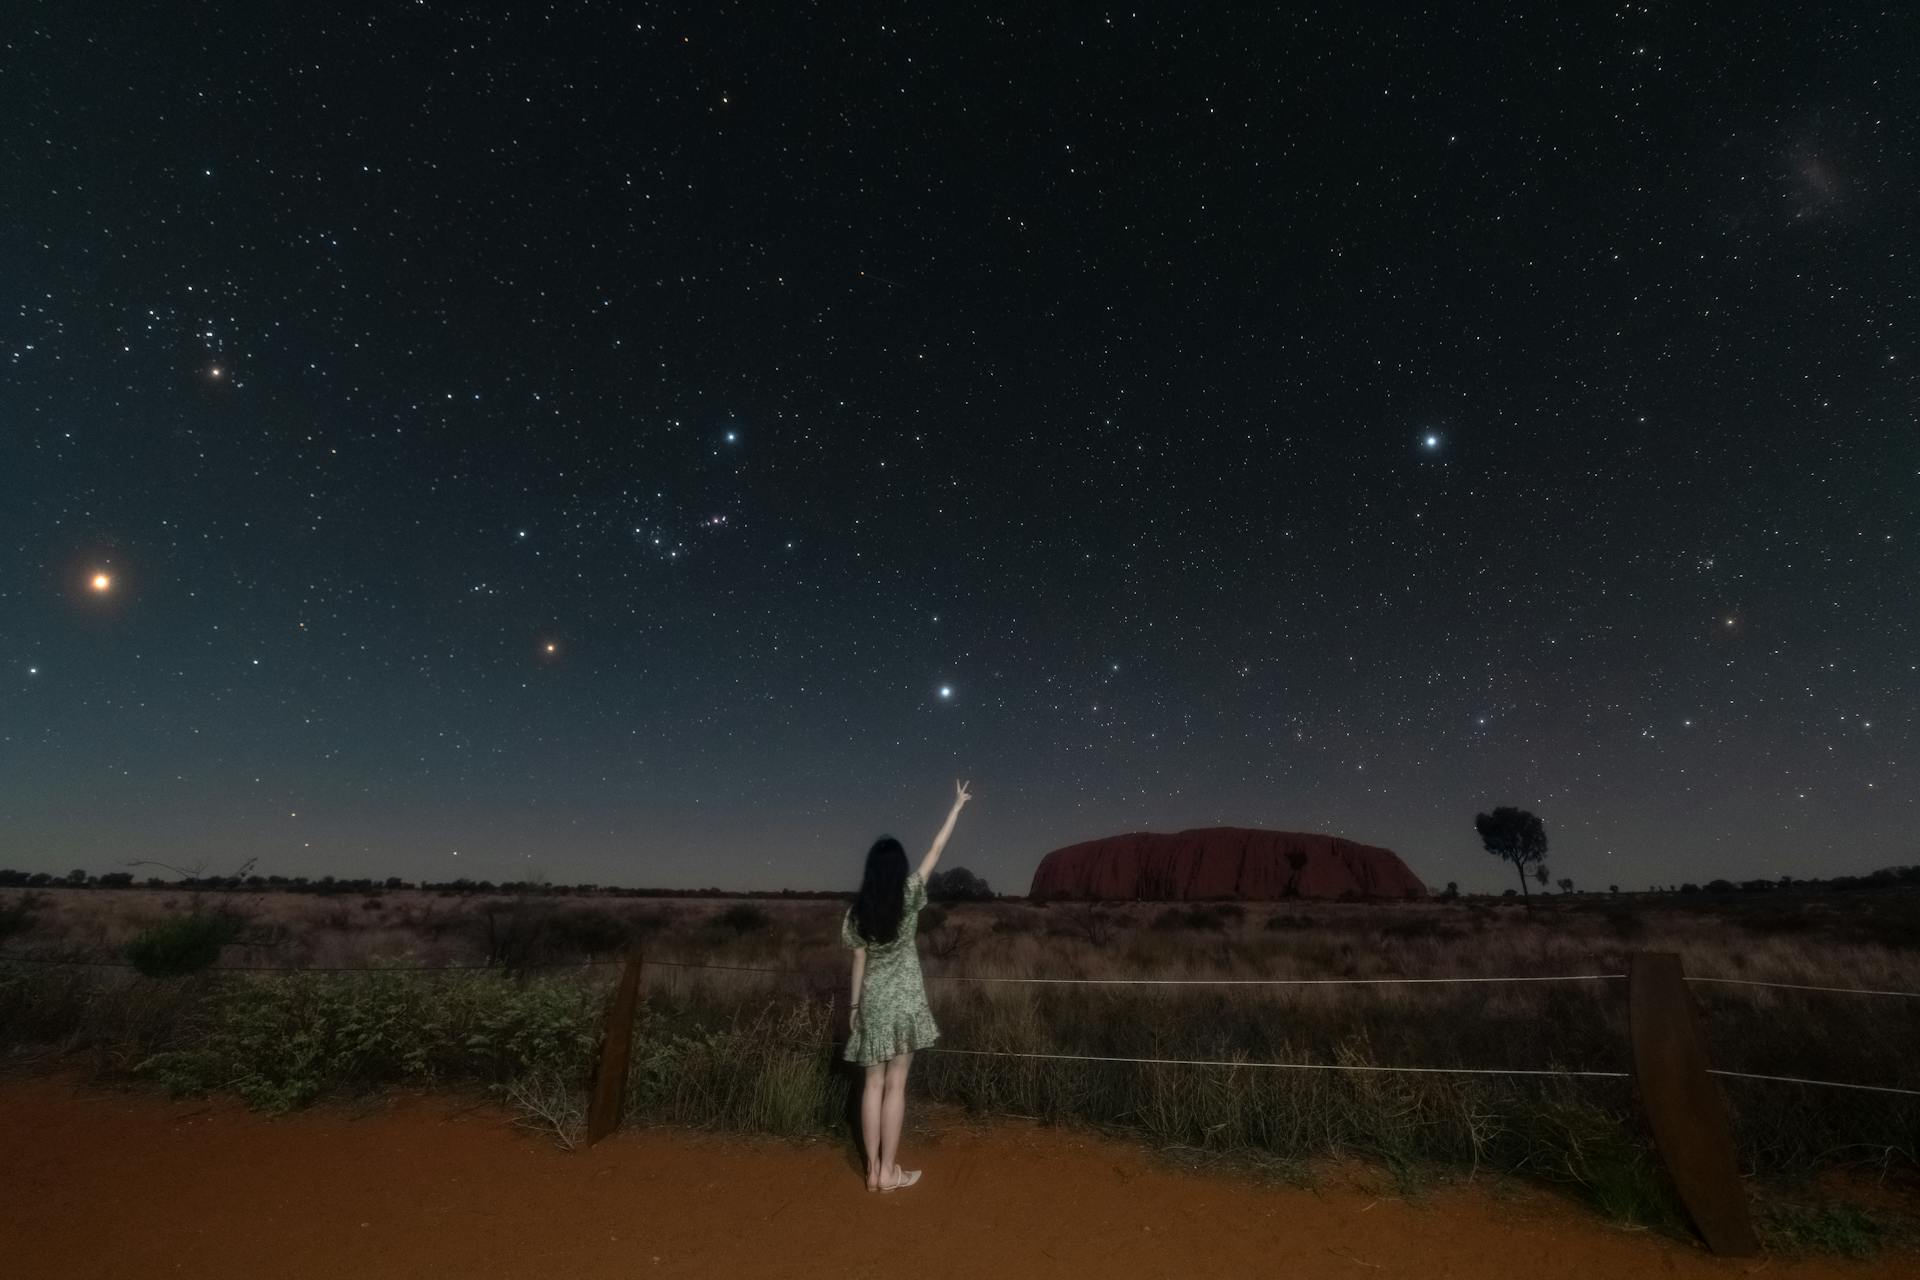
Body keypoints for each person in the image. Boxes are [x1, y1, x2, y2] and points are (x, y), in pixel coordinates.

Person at [842, 778, 973, 1191]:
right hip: (906, 1003)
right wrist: (956, 808)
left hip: (873, 1003)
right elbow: (936, 849)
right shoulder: (911, 893)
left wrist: (854, 1008)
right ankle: (888, 1171)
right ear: (899, 868)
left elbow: (858, 960)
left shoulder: (857, 913)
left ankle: (870, 1172)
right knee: (897, 1085)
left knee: (872, 1085)